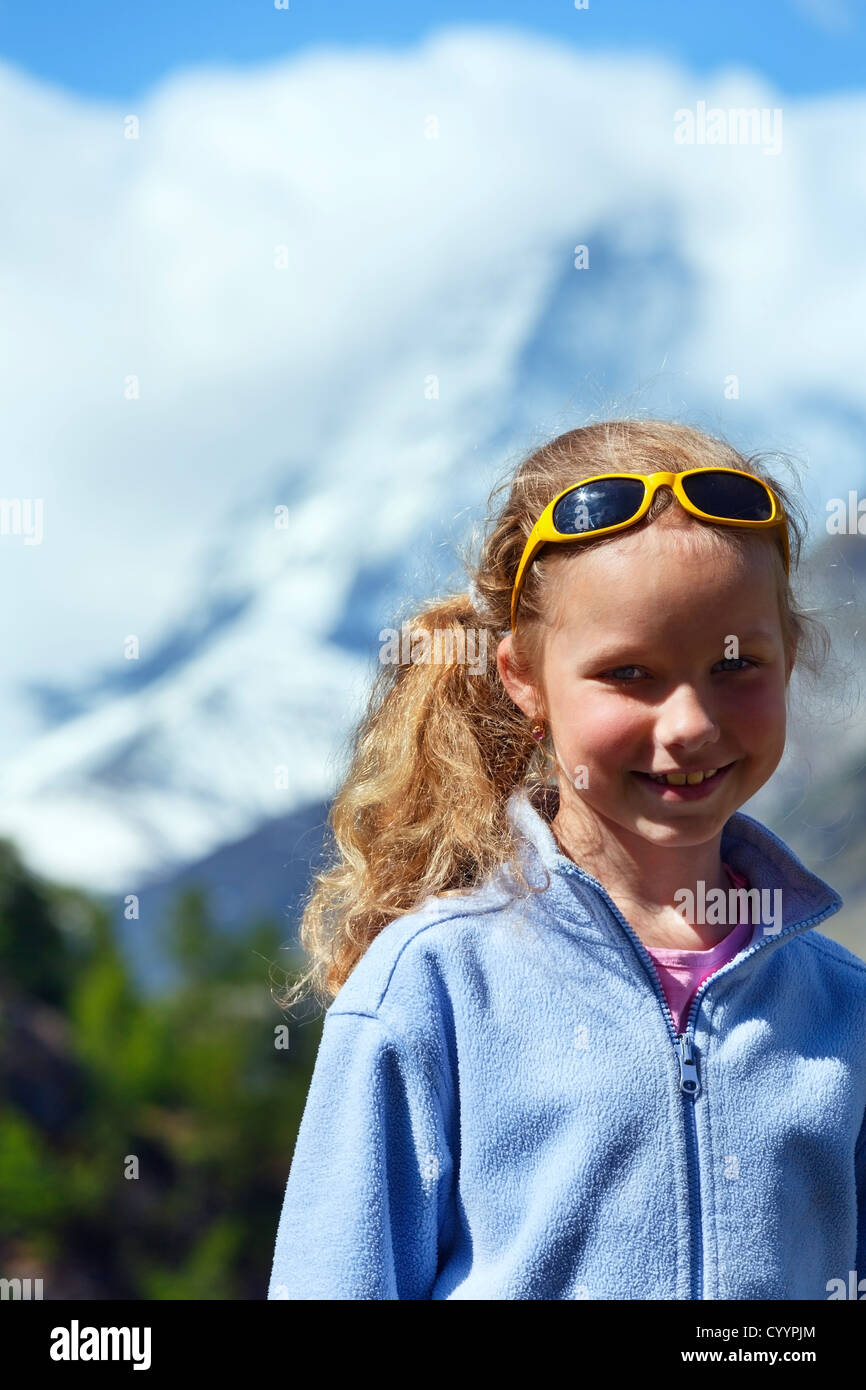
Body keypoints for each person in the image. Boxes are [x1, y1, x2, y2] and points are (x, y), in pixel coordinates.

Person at [268, 418, 866, 1300]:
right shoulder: (432, 986)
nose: (691, 722)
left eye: (736, 664)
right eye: (630, 674)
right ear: (522, 677)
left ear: (791, 659)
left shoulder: (844, 1008)